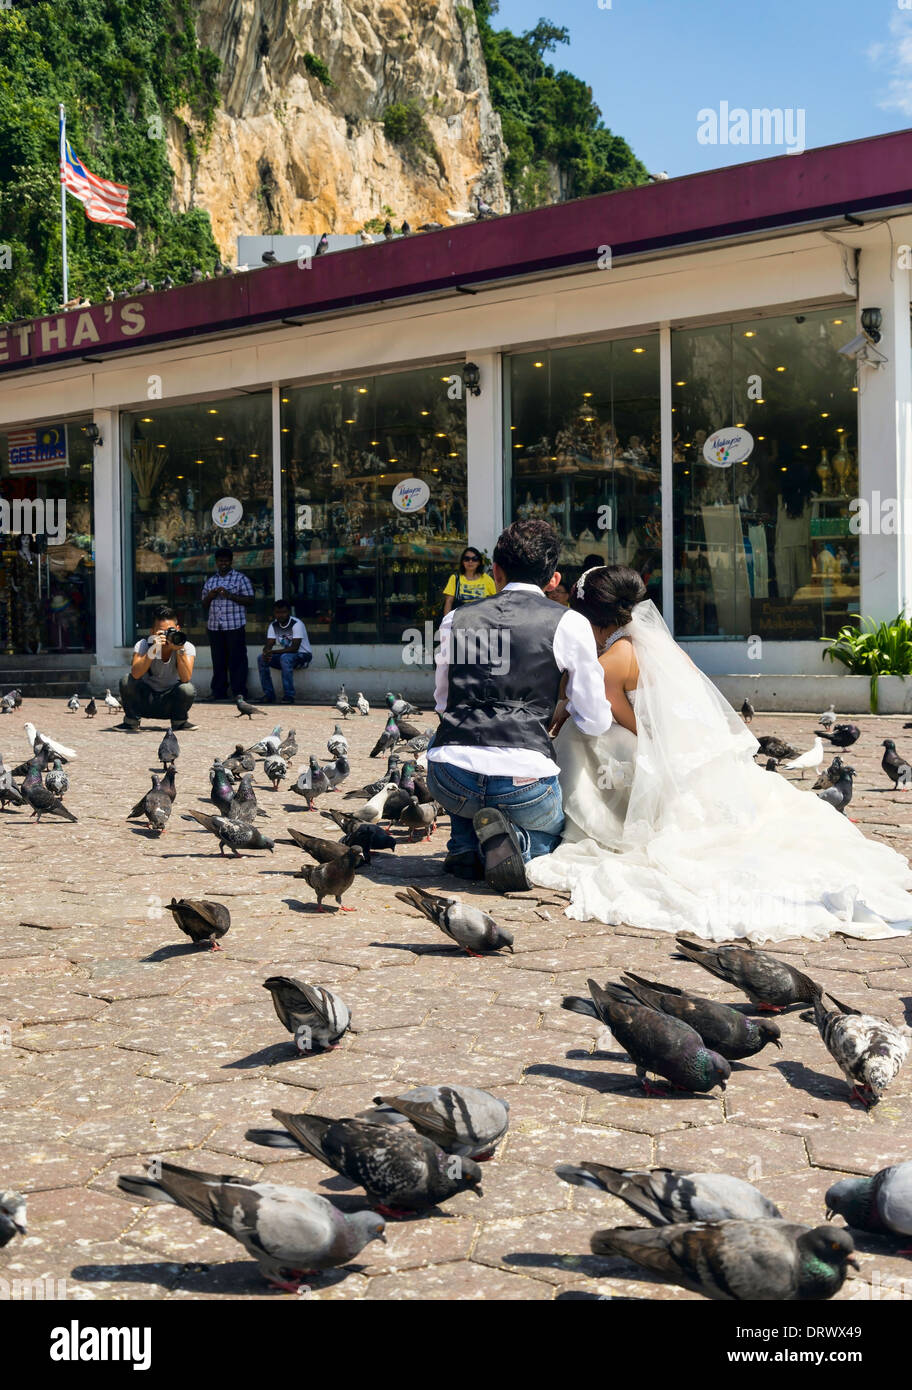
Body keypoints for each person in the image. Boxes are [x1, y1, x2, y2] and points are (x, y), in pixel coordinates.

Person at [528, 564, 912, 942]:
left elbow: (628, 726)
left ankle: (584, 815)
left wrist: (565, 709)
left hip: (662, 760)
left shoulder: (613, 660)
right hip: (700, 759)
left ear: (588, 616)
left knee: (580, 733)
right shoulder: (658, 646)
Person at [427, 520, 614, 891]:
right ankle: (522, 848)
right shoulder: (569, 623)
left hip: (450, 778)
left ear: (495, 571)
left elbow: (443, 702)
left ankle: (464, 843)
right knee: (552, 838)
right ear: (554, 579)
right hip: (522, 780)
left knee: (467, 787)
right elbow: (595, 720)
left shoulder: (454, 619)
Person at [119, 605, 196, 730]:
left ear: (178, 629)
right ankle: (131, 721)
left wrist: (179, 650)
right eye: (161, 632)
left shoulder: (186, 647)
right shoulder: (143, 644)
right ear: (152, 632)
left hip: (170, 703)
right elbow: (135, 674)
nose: (166, 636)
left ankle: (179, 721)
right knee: (126, 680)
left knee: (187, 689)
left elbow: (185, 678)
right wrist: (153, 650)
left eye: (170, 631)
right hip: (145, 701)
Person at [202, 547, 253, 700]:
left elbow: (250, 600)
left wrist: (230, 595)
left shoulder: (240, 578)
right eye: (220, 561)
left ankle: (239, 692)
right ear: (216, 562)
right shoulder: (211, 581)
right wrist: (210, 596)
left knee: (237, 660)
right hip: (215, 626)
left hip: (235, 626)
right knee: (218, 660)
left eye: (225, 561)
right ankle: (218, 691)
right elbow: (204, 604)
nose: (223, 563)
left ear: (231, 561)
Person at [258, 599, 312, 703]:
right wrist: (266, 652)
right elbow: (269, 643)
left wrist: (273, 652)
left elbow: (294, 648)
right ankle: (269, 695)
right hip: (287, 657)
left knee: (285, 657)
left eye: (283, 612)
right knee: (261, 658)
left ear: (289, 612)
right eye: (278, 612)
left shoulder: (296, 624)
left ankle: (289, 696)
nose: (280, 615)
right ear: (274, 613)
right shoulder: (273, 625)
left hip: (303, 656)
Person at [441, 547, 496, 615]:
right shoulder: (455, 578)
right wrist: (447, 623)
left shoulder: (487, 579)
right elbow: (449, 602)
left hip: (481, 622)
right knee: (429, 625)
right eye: (467, 559)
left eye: (474, 559)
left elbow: (495, 602)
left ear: (479, 562)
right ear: (462, 562)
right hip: (460, 622)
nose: (470, 562)